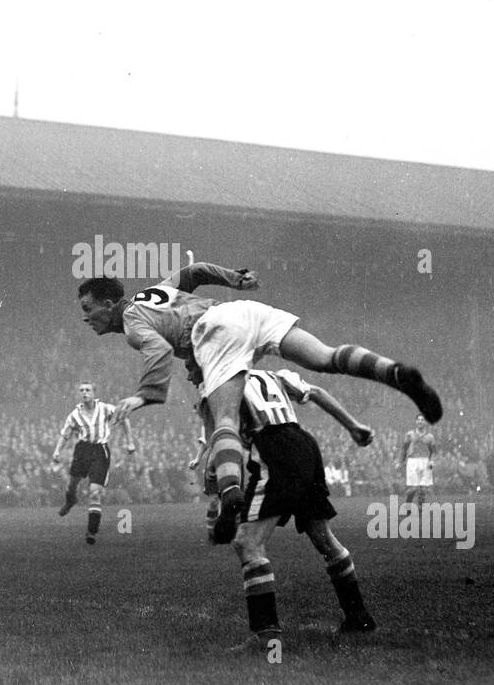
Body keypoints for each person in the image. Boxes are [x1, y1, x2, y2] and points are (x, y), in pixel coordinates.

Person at [77, 259, 441, 543]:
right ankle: (395, 373)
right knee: (326, 358)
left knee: (224, 422)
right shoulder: (156, 291)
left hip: (213, 331)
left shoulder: (131, 324)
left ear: (109, 304)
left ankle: (231, 497)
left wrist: (145, 395)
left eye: (88, 308)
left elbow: (156, 346)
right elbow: (194, 271)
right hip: (246, 311)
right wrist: (235, 279)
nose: (85, 318)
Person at [198, 367, 378, 649]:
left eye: (190, 365)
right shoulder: (271, 373)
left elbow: (222, 442)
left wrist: (216, 487)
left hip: (273, 448)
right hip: (304, 445)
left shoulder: (217, 386)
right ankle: (358, 617)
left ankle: (266, 638)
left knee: (247, 542)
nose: (188, 374)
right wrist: (353, 426)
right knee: (323, 538)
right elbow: (316, 392)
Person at [51, 382, 137, 544]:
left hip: (100, 451)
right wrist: (57, 451)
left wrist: (130, 441)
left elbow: (124, 418)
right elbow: (65, 434)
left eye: (87, 390)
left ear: (94, 393)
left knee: (95, 492)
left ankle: (91, 531)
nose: (84, 393)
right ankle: (70, 500)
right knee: (72, 484)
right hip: (82, 450)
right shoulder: (74, 415)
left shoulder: (105, 408)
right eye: (81, 390)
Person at [401, 414, 437, 506]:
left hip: (425, 462)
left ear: (425, 422)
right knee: (414, 488)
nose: (420, 421)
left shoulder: (430, 437)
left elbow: (433, 452)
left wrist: (432, 461)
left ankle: (420, 509)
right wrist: (401, 461)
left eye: (422, 420)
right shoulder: (410, 434)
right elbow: (404, 449)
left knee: (423, 489)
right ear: (416, 422)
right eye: (418, 420)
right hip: (413, 461)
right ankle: (408, 504)